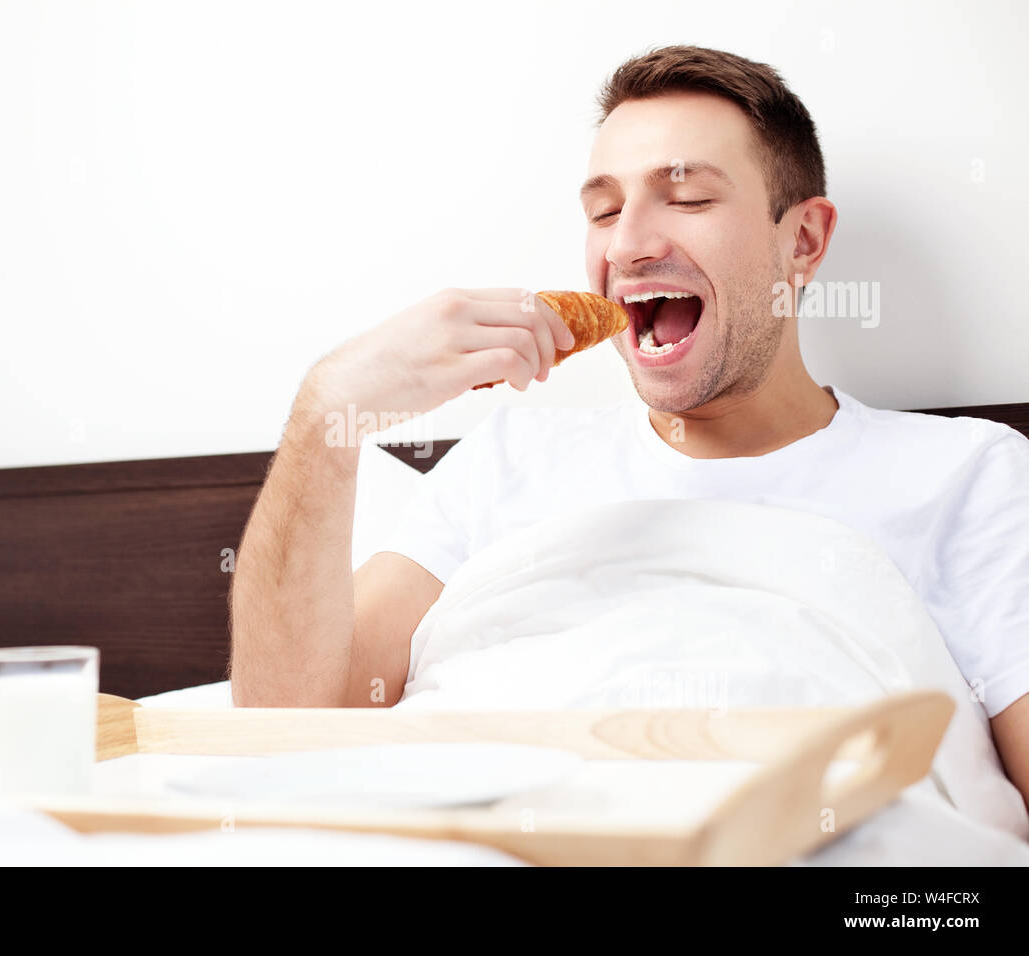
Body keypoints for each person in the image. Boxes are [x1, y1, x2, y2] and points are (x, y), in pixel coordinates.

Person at [228, 45, 1029, 815]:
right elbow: (289, 727)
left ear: (804, 241)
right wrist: (327, 412)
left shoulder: (967, 476)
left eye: (686, 199)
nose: (629, 245)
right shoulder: (506, 462)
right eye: (604, 210)